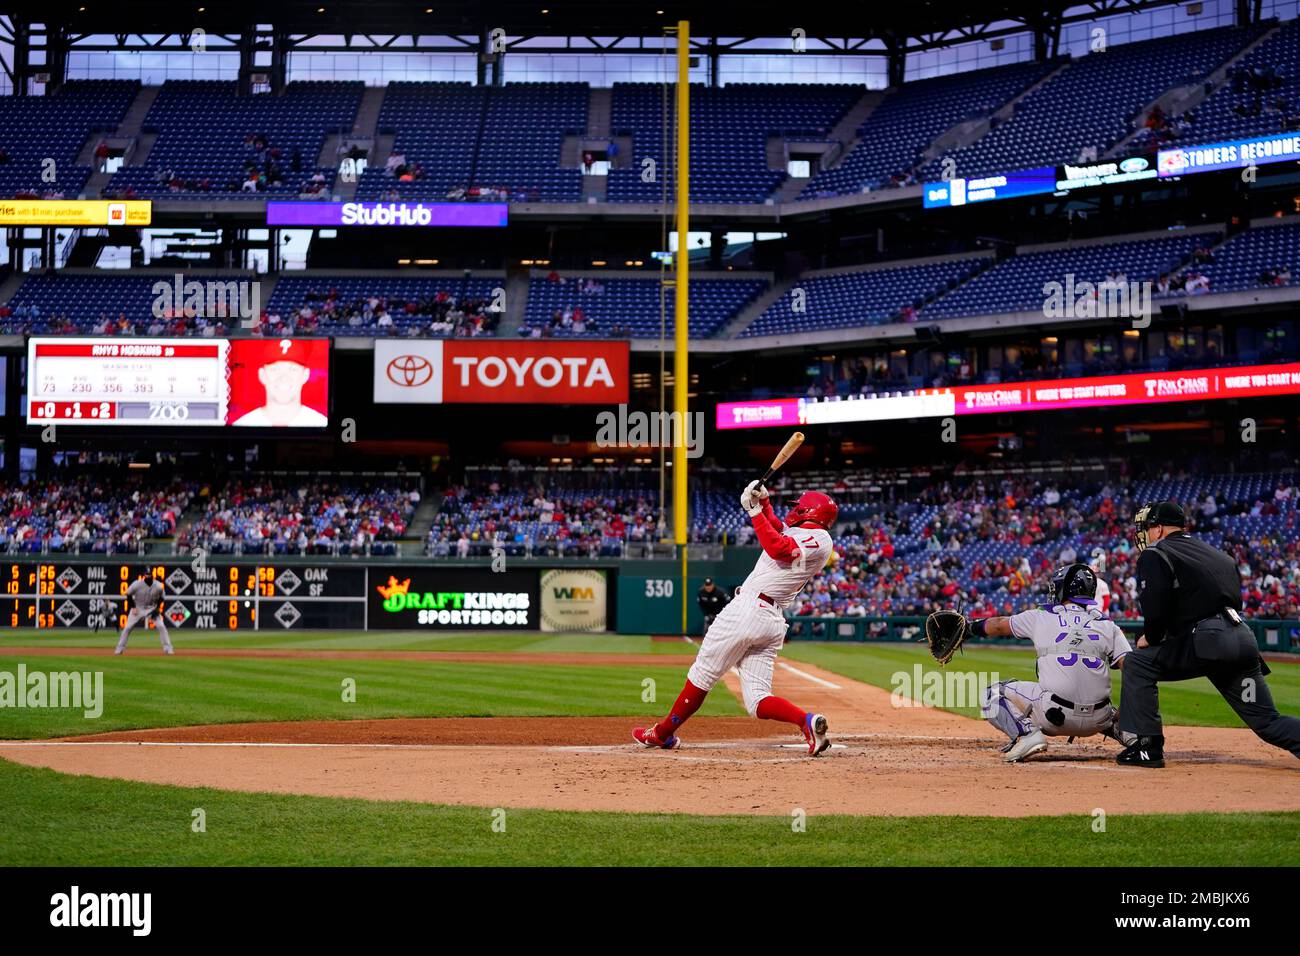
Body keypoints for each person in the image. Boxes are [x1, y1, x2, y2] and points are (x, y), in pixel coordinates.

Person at [632, 485, 839, 756]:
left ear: (808, 510)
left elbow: (778, 546)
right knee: (758, 700)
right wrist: (764, 503)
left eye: (797, 506)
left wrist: (753, 512)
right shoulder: (810, 535)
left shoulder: (819, 539)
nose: (792, 509)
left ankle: (662, 733)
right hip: (770, 620)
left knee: (702, 674)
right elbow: (778, 529)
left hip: (747, 609)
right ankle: (807, 722)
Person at [1116, 501, 1300, 767]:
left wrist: (1152, 637)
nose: (1145, 533)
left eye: (1147, 527)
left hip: (1209, 642)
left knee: (1137, 663)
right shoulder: (1219, 555)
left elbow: (1155, 608)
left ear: (1158, 529)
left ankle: (1148, 748)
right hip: (1242, 640)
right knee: (1267, 720)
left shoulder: (1155, 553)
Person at [972, 564, 1131, 762]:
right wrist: (1127, 712)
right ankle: (1131, 734)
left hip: (1053, 716)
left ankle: (1027, 735)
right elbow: (1134, 670)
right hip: (1098, 720)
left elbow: (997, 625)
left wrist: (970, 627)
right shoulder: (1108, 624)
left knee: (991, 693)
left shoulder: (1041, 616)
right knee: (1105, 708)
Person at [232, 340, 328, 427]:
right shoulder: (242, 425)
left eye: (293, 369)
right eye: (275, 369)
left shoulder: (320, 423)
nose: (284, 378)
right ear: (262, 375)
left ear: (305, 375)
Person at [114, 572, 173, 655]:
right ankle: (119, 649)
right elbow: (128, 594)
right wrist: (133, 607)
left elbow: (162, 598)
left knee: (161, 626)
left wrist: (157, 608)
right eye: (146, 575)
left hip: (151, 608)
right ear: (144, 576)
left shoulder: (158, 585)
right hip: (138, 608)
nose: (147, 577)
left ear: (152, 576)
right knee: (127, 628)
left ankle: (168, 648)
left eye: (149, 575)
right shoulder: (137, 584)